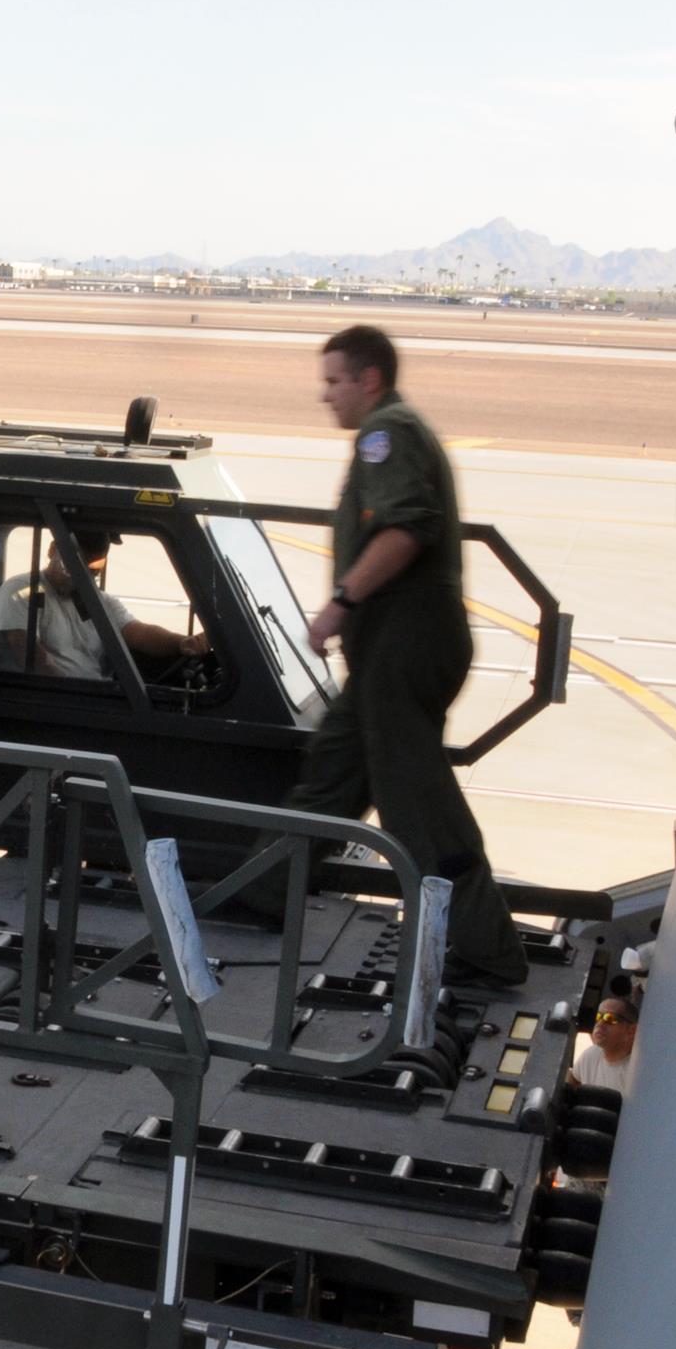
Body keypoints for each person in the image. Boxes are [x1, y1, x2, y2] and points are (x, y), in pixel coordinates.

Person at [294, 325, 531, 993]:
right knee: (332, 771)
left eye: (335, 380)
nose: (326, 395)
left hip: (406, 643)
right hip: (388, 652)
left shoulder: (386, 434)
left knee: (417, 805)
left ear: (369, 379)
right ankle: (257, 897)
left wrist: (340, 601)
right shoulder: (389, 432)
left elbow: (404, 528)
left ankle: (487, 948)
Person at [543, 992, 638, 1349]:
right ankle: (585, 1344)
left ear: (632, 1032)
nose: (600, 1023)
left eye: (612, 1020)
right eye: (599, 1016)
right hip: (582, 1179)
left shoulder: (637, 1070)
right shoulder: (589, 1058)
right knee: (573, 1257)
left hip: (619, 1184)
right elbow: (568, 1096)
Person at [0, 529, 209, 680]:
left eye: (93, 570)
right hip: (55, 702)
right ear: (51, 551)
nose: (81, 578)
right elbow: (28, 654)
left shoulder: (97, 601)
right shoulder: (24, 591)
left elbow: (138, 633)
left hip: (96, 695)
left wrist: (181, 643)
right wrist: (75, 695)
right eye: (72, 568)